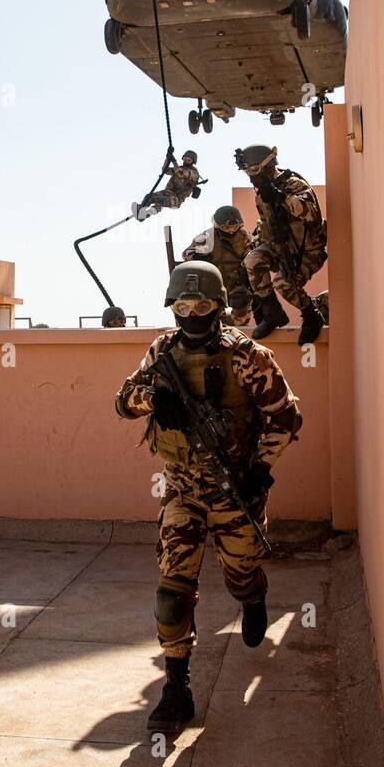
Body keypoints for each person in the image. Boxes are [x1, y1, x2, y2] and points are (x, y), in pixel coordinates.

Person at [114, 261, 302, 735]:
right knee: (172, 589)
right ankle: (177, 689)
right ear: (170, 307)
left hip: (233, 490)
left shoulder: (247, 357)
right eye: (182, 304)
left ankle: (253, 596)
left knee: (240, 572)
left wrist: (260, 470)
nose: (191, 313)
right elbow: (122, 401)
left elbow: (285, 417)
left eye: (200, 305)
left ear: (218, 307)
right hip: (181, 489)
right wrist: (155, 400)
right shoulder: (163, 351)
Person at [236, 144, 327, 345]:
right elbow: (267, 225)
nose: (251, 178)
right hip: (280, 247)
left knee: (283, 283)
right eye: (247, 173)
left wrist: (280, 197)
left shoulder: (294, 185)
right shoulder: (260, 194)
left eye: (253, 171)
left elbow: (310, 213)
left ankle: (311, 315)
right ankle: (272, 314)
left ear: (267, 166)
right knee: (252, 261)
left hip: (307, 251)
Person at [183, 205, 253, 326]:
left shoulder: (244, 237)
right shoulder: (208, 237)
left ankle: (233, 324)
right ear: (218, 226)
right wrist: (197, 257)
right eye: (226, 227)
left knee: (241, 314)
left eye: (234, 227)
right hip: (212, 283)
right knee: (209, 317)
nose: (231, 230)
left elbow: (252, 255)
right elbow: (187, 253)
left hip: (236, 284)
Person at [132, 151, 201, 221]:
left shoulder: (194, 173)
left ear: (193, 162)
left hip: (175, 199)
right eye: (185, 159)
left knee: (155, 199)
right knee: (149, 197)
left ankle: (141, 213)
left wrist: (174, 161)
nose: (186, 161)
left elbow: (181, 173)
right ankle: (142, 213)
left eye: (189, 160)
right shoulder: (180, 168)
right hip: (167, 193)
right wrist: (168, 158)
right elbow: (165, 170)